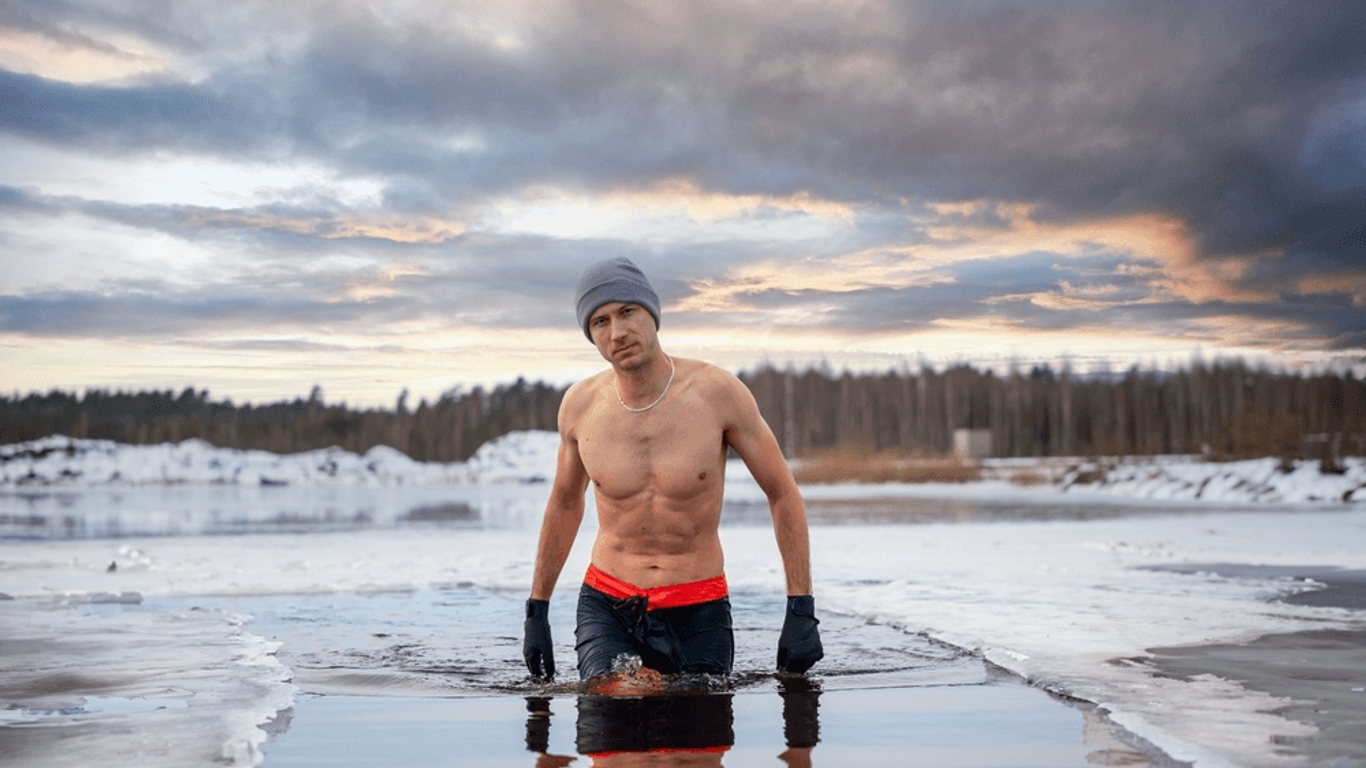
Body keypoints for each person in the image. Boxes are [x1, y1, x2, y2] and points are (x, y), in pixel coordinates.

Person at [523, 257, 823, 682]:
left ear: (653, 315)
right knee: (618, 700)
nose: (618, 332)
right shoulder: (580, 407)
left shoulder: (717, 393)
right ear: (591, 336)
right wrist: (537, 609)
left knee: (696, 736)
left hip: (698, 605)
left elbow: (782, 492)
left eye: (628, 312)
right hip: (609, 602)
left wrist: (801, 609)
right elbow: (565, 503)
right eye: (600, 322)